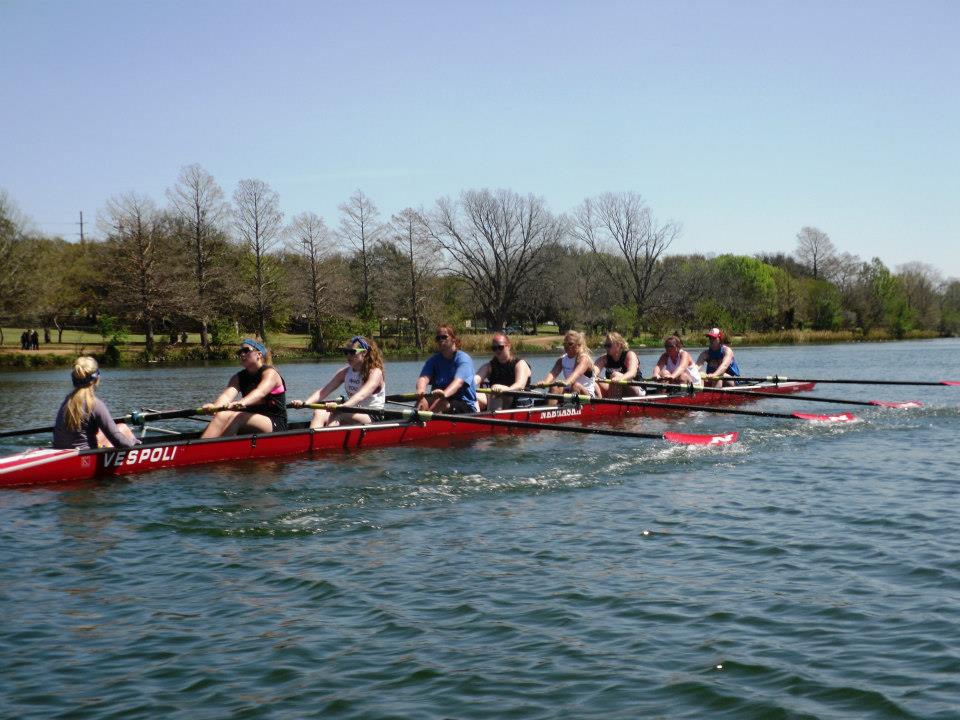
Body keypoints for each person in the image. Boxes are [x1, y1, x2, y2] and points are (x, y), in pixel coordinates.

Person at [201, 338, 288, 438]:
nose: (242, 354)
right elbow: (227, 395)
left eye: (246, 351)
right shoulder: (238, 377)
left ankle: (217, 450)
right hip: (249, 419)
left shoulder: (270, 373)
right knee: (221, 415)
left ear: (259, 355)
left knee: (237, 417)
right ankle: (198, 448)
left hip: (275, 423)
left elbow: (260, 392)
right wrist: (214, 407)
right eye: (240, 352)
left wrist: (242, 402)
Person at [291, 336, 386, 427]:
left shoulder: (375, 373)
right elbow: (322, 392)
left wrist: (341, 407)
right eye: (346, 352)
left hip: (373, 414)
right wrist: (304, 403)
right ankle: (312, 441)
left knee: (337, 415)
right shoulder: (344, 372)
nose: (348, 355)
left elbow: (361, 395)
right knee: (319, 412)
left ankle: (326, 441)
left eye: (352, 352)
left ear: (364, 353)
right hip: (352, 410)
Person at [53, 356, 140, 450]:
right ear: (96, 378)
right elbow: (119, 441)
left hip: (61, 450)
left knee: (118, 427)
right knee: (123, 429)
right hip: (85, 456)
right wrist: (134, 444)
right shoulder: (95, 405)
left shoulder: (67, 401)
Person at [416, 325, 478, 413]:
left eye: (444, 337)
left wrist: (444, 394)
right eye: (438, 338)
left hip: (464, 405)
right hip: (440, 401)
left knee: (442, 403)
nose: (441, 340)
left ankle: (425, 420)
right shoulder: (433, 360)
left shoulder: (463, 359)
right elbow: (423, 378)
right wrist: (420, 391)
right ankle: (417, 421)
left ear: (453, 339)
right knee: (421, 402)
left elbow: (458, 382)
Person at [474, 332, 533, 411]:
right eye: (494, 348)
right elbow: (476, 378)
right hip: (497, 399)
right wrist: (464, 383)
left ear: (508, 346)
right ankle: (473, 419)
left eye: (500, 347)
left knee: (496, 394)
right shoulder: (490, 366)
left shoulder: (520, 363)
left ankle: (492, 420)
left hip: (520, 401)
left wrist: (502, 389)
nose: (497, 350)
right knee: (472, 395)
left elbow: (520, 385)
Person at [540, 330, 599, 399]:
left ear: (578, 345)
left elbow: (577, 374)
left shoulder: (584, 359)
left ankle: (571, 407)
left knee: (576, 386)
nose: (567, 346)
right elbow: (553, 373)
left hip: (587, 396)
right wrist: (545, 383)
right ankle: (550, 408)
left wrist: (566, 382)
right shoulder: (562, 359)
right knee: (554, 387)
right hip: (570, 391)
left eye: (570, 344)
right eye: (565, 344)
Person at [594, 332, 644, 398]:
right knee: (593, 379)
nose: (606, 348)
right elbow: (593, 371)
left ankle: (612, 405)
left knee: (615, 374)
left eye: (609, 345)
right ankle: (598, 404)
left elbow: (632, 373)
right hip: (616, 388)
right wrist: (592, 376)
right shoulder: (604, 358)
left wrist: (620, 378)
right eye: (605, 346)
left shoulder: (629, 355)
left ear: (619, 345)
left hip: (637, 388)